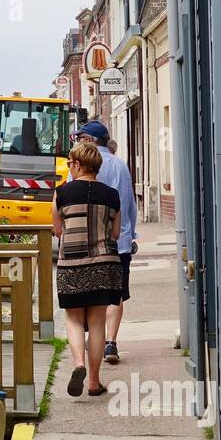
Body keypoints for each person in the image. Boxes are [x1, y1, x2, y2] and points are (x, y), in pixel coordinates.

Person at [53, 140, 122, 397]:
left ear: (78, 164)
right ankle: (94, 382)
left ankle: (78, 364)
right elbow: (116, 232)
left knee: (73, 318)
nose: (69, 168)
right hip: (105, 266)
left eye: (70, 163)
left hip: (71, 265)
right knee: (97, 323)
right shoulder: (111, 195)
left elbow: (57, 230)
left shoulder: (62, 193)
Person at [77, 121, 137, 363]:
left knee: (88, 291)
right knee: (116, 294)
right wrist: (131, 235)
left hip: (87, 241)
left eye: (80, 137)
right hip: (118, 242)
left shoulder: (82, 165)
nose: (77, 142)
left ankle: (91, 339)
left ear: (91, 140)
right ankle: (110, 343)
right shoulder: (120, 165)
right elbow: (129, 203)